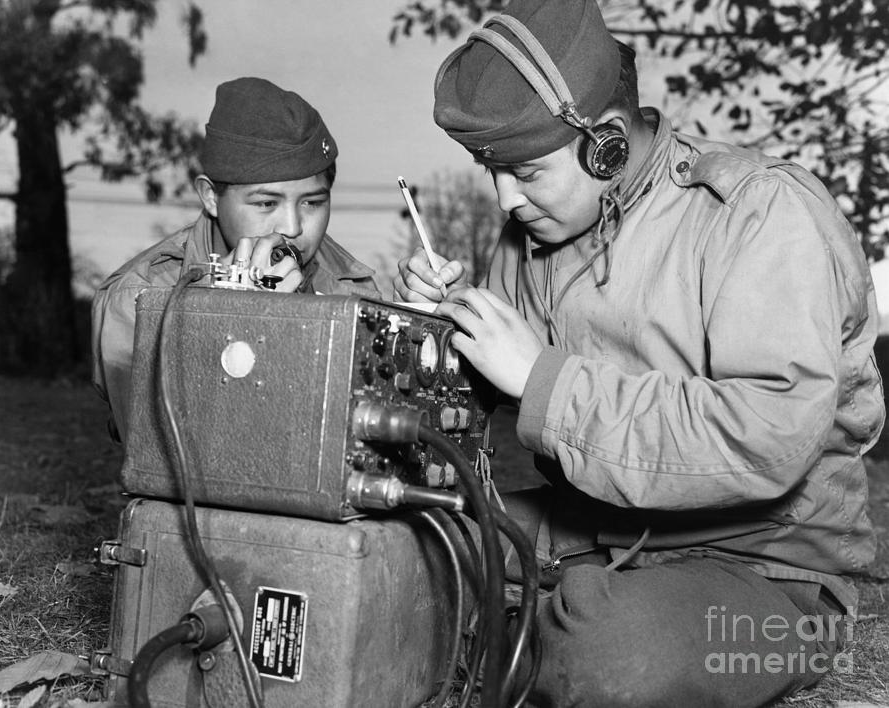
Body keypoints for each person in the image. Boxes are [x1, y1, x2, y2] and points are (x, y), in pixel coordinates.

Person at [394, 0, 884, 705]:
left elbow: (769, 436)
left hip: (769, 575)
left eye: (524, 172)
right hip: (591, 534)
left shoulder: (758, 213)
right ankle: (531, 619)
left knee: (612, 657)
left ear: (608, 145)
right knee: (407, 539)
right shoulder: (535, 233)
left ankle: (516, 628)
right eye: (489, 169)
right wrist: (442, 329)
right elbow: (489, 393)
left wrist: (544, 380)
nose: (504, 200)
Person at [92, 77, 379, 442]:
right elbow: (156, 449)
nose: (292, 227)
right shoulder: (139, 299)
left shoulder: (351, 287)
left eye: (313, 203)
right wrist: (224, 321)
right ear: (211, 197)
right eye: (266, 203)